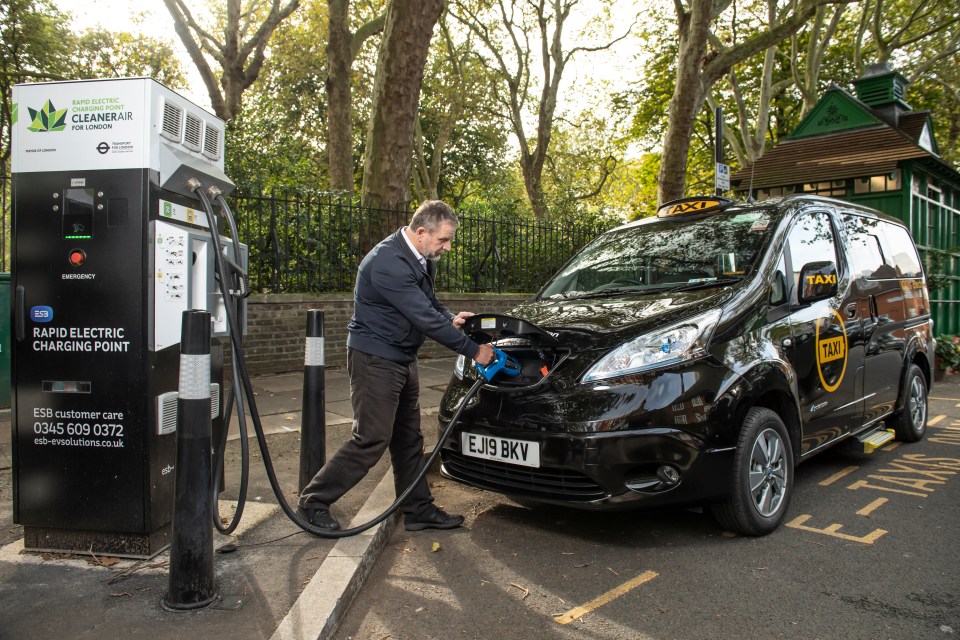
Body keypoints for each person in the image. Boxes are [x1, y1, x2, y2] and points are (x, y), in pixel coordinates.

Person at [297, 200, 495, 532]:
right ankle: (313, 501)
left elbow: (430, 306)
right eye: (444, 240)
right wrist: (474, 350)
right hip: (375, 360)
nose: (447, 247)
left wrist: (452, 318)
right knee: (371, 438)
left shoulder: (420, 259)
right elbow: (422, 317)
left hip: (401, 357)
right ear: (421, 232)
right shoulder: (387, 262)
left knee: (407, 438)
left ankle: (418, 510)